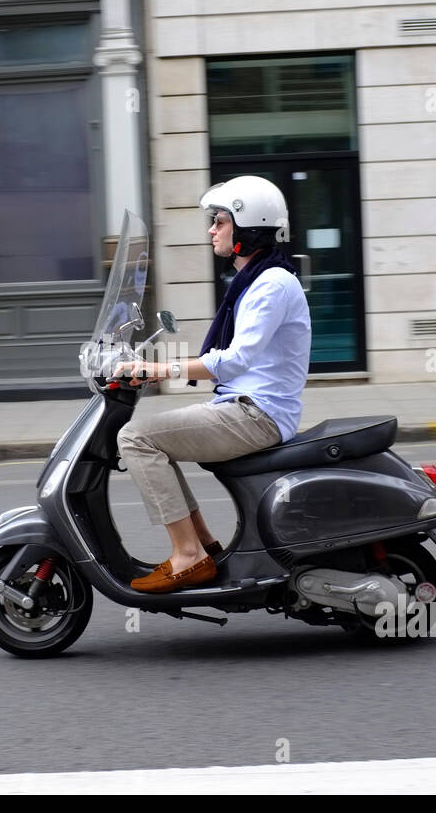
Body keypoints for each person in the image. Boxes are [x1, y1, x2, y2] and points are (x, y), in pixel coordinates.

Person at [114, 176, 312, 593]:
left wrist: (156, 370)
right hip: (244, 407)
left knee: (136, 438)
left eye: (220, 221)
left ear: (247, 227)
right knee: (154, 440)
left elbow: (236, 358)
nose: (212, 230)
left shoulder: (272, 284)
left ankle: (188, 556)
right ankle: (202, 544)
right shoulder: (255, 280)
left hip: (256, 414)